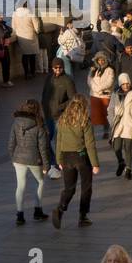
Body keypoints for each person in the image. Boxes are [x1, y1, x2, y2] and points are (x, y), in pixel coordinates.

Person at [52, 95, 100, 230]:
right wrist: (95, 164)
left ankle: (60, 208)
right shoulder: (85, 120)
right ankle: (83, 216)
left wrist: (58, 160)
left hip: (66, 158)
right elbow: (90, 144)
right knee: (86, 187)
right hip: (81, 156)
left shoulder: (62, 120)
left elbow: (58, 142)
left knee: (69, 188)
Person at [8, 100, 50, 226]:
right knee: (40, 182)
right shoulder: (39, 124)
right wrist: (46, 165)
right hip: (34, 159)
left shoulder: (16, 122)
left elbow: (11, 143)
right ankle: (37, 211)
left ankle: (19, 215)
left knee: (20, 186)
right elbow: (43, 148)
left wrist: (13, 158)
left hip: (18, 158)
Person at [41, 57, 77, 167]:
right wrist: (43, 106)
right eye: (55, 67)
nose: (58, 69)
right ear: (52, 68)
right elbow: (44, 94)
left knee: (58, 141)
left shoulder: (67, 80)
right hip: (48, 115)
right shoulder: (49, 78)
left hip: (60, 116)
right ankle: (52, 161)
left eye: (60, 67)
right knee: (45, 140)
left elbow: (73, 99)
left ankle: (58, 162)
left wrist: (60, 107)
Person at [109, 74, 132, 180]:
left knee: (128, 148)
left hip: (129, 125)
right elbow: (110, 109)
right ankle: (121, 162)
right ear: (120, 84)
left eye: (127, 83)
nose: (126, 85)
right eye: (123, 83)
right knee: (116, 147)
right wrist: (111, 121)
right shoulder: (115, 94)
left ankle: (128, 169)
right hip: (118, 124)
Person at [87, 53, 115, 140]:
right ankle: (90, 133)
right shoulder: (93, 70)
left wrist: (99, 89)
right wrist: (96, 89)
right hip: (95, 96)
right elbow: (89, 80)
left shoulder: (110, 70)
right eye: (99, 60)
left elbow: (109, 82)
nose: (101, 62)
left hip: (105, 96)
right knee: (94, 116)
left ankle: (107, 131)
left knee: (106, 115)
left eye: (103, 60)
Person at [10, 4, 41, 79]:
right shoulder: (31, 13)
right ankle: (33, 73)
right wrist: (37, 31)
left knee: (25, 55)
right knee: (32, 56)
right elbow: (37, 28)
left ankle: (26, 73)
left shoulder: (15, 14)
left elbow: (13, 27)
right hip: (31, 37)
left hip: (21, 38)